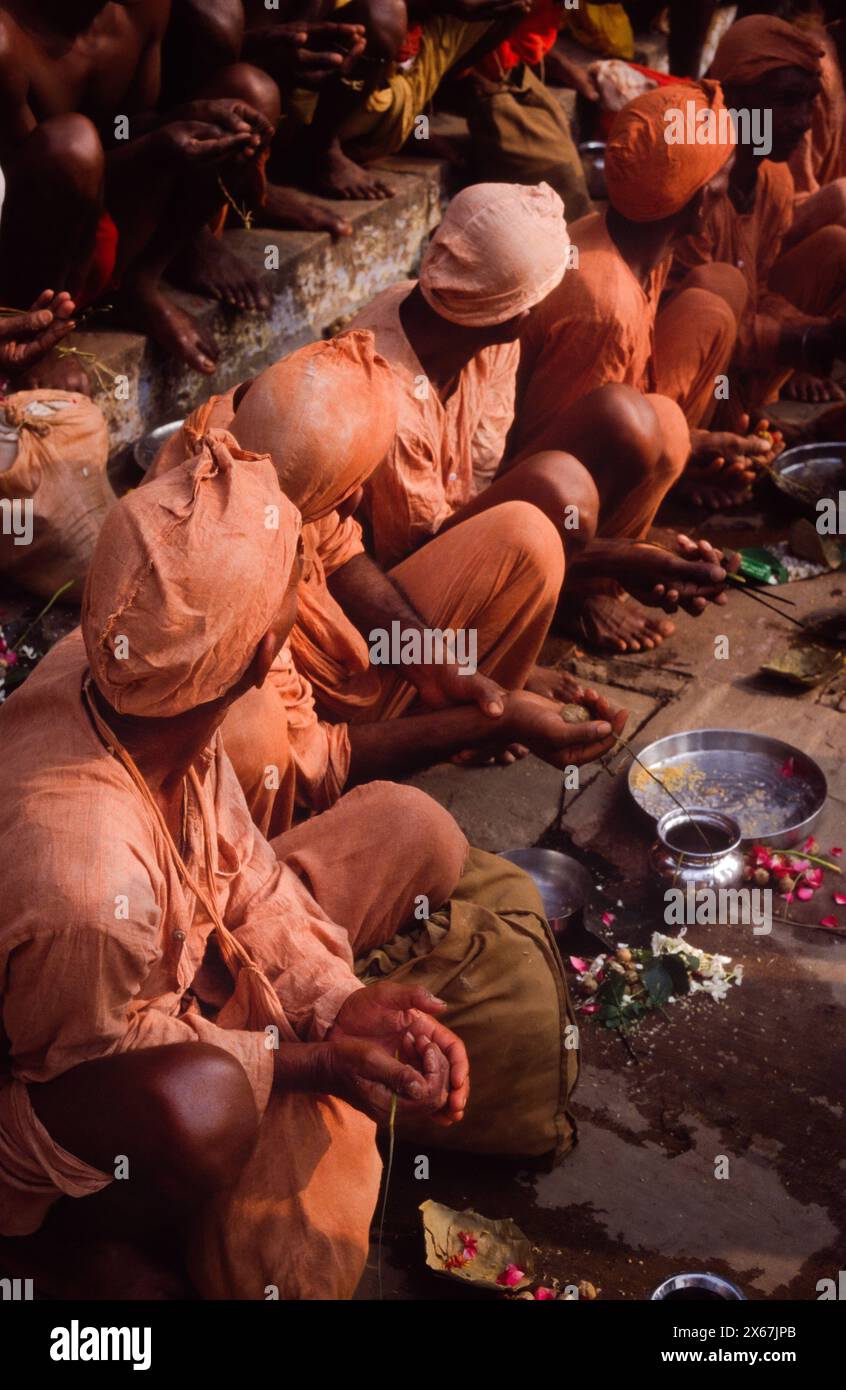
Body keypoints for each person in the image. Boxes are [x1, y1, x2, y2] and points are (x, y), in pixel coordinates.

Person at [0, 432, 473, 1299]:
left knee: (416, 829)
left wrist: (337, 1001)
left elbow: (245, 876)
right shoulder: (81, 886)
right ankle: (61, 1245)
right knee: (208, 1114)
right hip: (76, 1083)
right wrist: (312, 1063)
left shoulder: (136, 673)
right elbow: (91, 1065)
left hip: (179, 958)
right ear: (264, 659)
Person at [150, 331, 631, 834]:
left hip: (332, 677)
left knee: (528, 535)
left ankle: (427, 732)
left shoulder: (260, 424)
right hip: (280, 733)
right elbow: (315, 761)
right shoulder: (224, 583)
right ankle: (334, 816)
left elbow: (340, 550)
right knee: (283, 755)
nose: (355, 503)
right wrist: (501, 717)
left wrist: (433, 662)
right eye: (350, 491)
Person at [350, 180, 737, 653]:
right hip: (391, 597)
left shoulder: (474, 321)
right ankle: (497, 649)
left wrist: (643, 549)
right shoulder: (385, 397)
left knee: (627, 416)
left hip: (451, 523)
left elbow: (476, 485)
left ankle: (564, 587)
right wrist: (611, 558)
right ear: (519, 314)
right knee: (560, 486)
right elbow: (412, 555)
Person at [0, 0, 280, 385]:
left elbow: (124, 126)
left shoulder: (142, 8)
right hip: (31, 243)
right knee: (73, 145)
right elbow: (30, 184)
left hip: (104, 210)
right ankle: (33, 335)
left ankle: (137, 284)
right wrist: (156, 144)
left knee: (250, 92)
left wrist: (185, 118)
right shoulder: (7, 42)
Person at [670, 15, 846, 420]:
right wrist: (799, 338)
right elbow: (687, 318)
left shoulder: (776, 180)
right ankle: (701, 427)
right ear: (734, 98)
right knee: (720, 286)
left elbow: (760, 291)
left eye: (808, 101)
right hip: (684, 358)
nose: (803, 121)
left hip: (735, 342)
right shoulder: (697, 184)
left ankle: (748, 403)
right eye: (787, 101)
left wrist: (816, 331)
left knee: (836, 247)